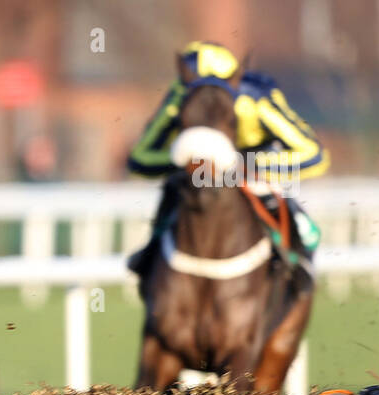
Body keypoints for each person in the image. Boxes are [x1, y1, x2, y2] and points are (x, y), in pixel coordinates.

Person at [126, 41, 326, 277]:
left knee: (304, 231)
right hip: (196, 171)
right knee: (173, 191)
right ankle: (152, 255)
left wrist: (245, 166)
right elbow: (140, 158)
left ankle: (296, 269)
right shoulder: (180, 97)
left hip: (254, 167)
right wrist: (189, 162)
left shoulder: (256, 99)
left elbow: (313, 154)